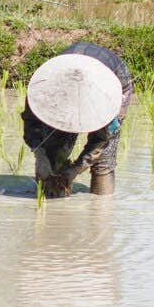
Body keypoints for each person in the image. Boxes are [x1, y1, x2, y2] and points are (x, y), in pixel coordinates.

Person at [22, 42, 133, 197]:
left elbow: (102, 139)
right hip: (67, 67)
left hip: (114, 77)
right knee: (53, 151)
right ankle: (48, 201)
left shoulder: (108, 97)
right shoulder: (43, 87)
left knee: (103, 160)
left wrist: (75, 170)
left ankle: (101, 209)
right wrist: (40, 156)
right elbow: (31, 124)